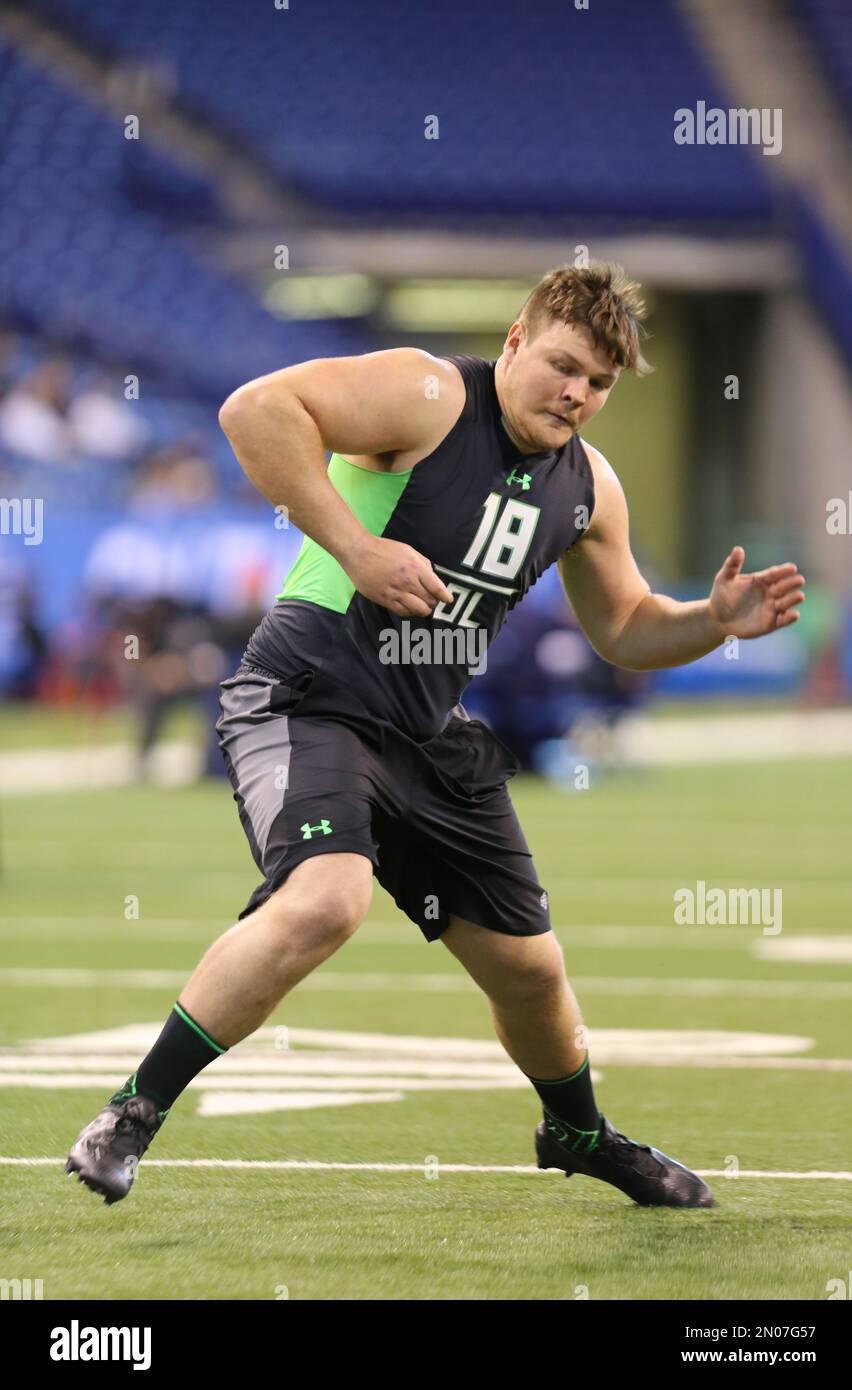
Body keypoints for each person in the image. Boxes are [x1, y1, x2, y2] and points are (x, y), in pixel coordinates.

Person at [66, 263, 805, 1208]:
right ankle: (131, 1113)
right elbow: (254, 411)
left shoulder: (588, 486)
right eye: (562, 365)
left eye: (599, 383)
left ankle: (575, 1132)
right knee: (327, 901)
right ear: (513, 342)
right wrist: (356, 545)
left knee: (529, 968)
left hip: (427, 733)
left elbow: (623, 626)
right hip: (307, 697)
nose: (576, 392)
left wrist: (711, 620)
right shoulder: (426, 396)